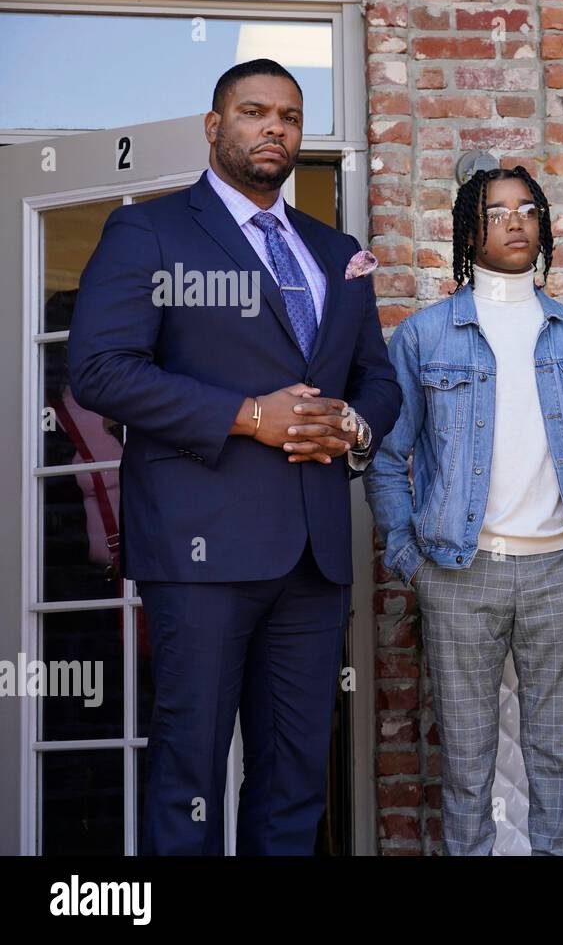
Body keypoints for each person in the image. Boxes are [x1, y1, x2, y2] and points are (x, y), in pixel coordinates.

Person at [68, 59, 401, 855]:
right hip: (202, 550)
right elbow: (100, 370)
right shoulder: (149, 230)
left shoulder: (335, 249)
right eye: (254, 112)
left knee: (295, 779)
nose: (274, 128)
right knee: (190, 773)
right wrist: (250, 417)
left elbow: (376, 379)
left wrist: (351, 426)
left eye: (288, 116)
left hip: (315, 556)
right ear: (214, 127)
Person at [365, 166, 563, 855]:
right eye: (496, 211)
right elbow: (388, 457)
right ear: (467, 228)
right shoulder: (425, 338)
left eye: (528, 209)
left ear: (543, 224)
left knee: (557, 760)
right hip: (459, 571)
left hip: (560, 572)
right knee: (465, 765)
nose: (515, 221)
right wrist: (408, 556)